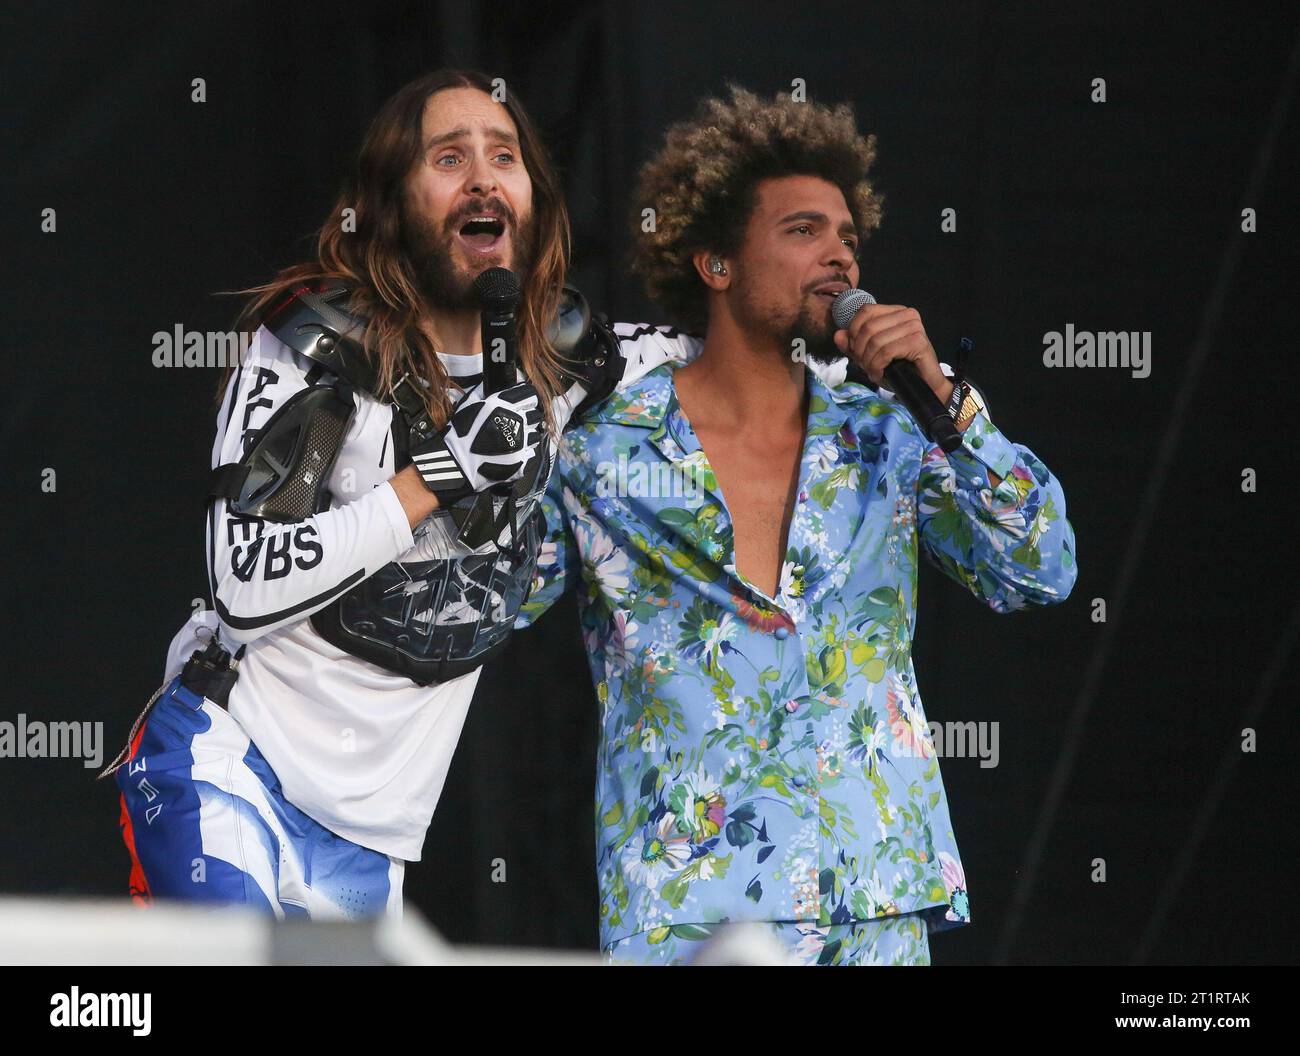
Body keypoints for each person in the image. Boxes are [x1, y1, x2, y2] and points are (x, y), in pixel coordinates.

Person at [516, 85, 1079, 965]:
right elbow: (485, 603)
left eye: (849, 237)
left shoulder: (895, 429)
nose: (841, 258)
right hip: (689, 906)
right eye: (804, 231)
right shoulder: (603, 454)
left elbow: (1039, 568)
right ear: (716, 264)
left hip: (876, 892)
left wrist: (947, 398)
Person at [99, 69, 622, 920]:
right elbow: (243, 579)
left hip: (374, 839)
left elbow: (728, 360)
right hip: (233, 763)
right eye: (448, 158)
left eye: (505, 156)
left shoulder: (568, 362)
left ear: (536, 197)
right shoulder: (315, 348)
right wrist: (436, 477)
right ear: (390, 200)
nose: (483, 179)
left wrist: (865, 346)